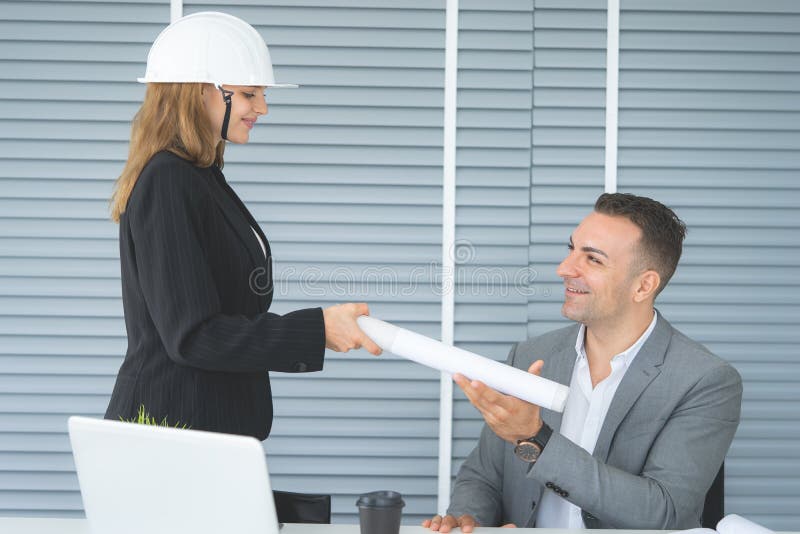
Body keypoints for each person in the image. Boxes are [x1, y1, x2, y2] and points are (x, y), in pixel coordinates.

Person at [105, 12, 380, 440]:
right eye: (250, 94)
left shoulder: (200, 176)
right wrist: (316, 330)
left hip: (201, 432)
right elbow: (193, 336)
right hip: (166, 433)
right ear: (200, 92)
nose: (263, 108)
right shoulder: (168, 180)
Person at [423, 193, 742, 530]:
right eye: (571, 248)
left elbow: (662, 511)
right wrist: (471, 520)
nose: (564, 269)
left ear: (643, 285)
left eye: (592, 259)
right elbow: (483, 475)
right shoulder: (530, 357)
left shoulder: (705, 380)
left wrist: (537, 439)